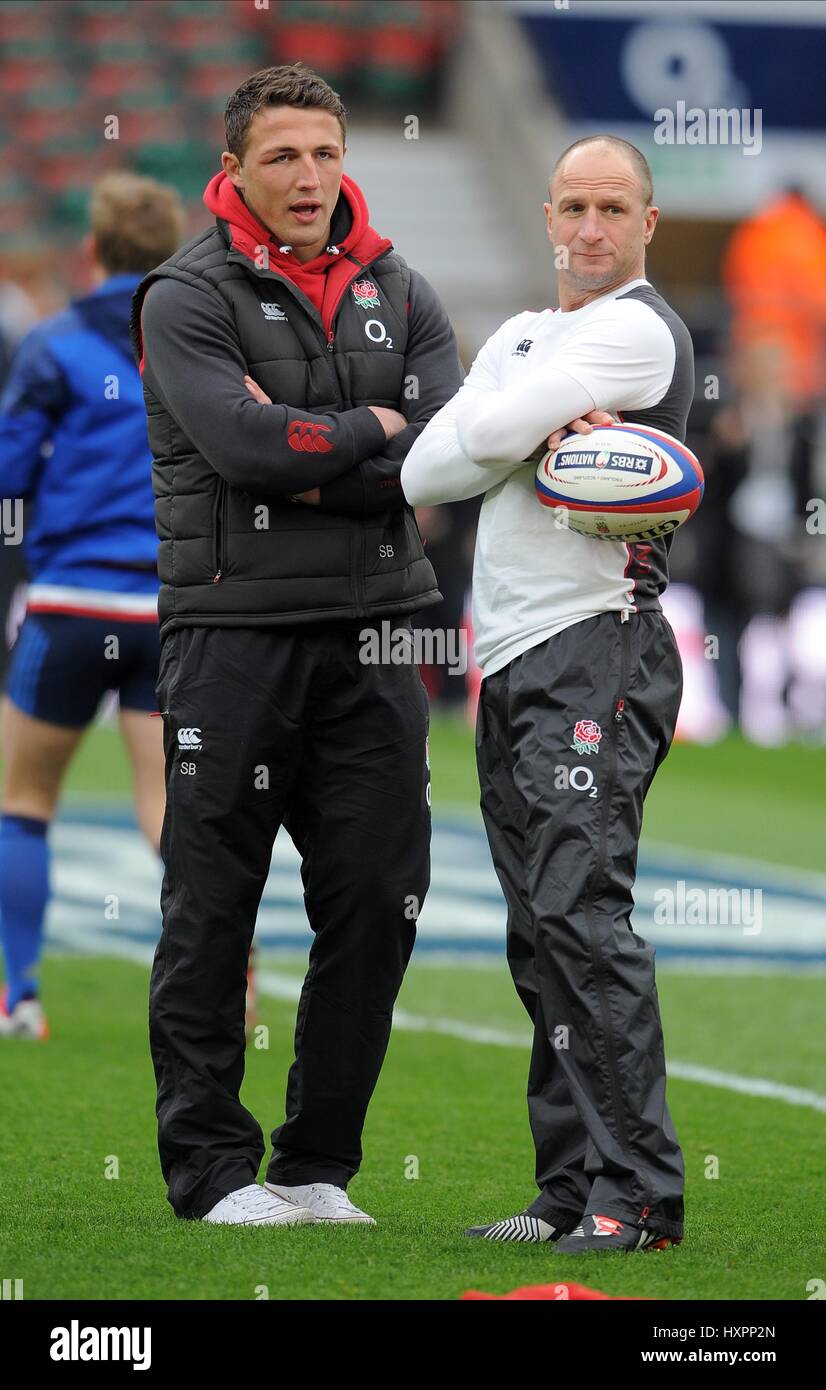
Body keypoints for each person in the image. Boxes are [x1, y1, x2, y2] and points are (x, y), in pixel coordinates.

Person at [130, 64, 463, 1228]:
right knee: (211, 905)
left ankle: (317, 1167)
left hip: (376, 637)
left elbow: (440, 454)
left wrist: (333, 449)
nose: (310, 177)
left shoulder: (401, 283)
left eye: (325, 152)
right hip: (232, 637)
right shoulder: (184, 294)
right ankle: (213, 1172)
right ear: (234, 169)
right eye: (282, 156)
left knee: (380, 898)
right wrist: (364, 442)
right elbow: (243, 449)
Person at [402, 135, 694, 1254]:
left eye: (612, 207)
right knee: (537, 932)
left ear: (647, 224)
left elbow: (473, 438)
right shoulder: (529, 335)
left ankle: (642, 1195)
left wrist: (506, 434)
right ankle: (569, 1184)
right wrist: (524, 438)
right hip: (511, 652)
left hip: (597, 644)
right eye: (572, 204)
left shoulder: (633, 326)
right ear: (545, 214)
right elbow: (426, 470)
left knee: (580, 909)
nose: (589, 226)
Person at [0, 173, 185, 1039]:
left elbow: (8, 472)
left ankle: (20, 996)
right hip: (168, 610)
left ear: (91, 250)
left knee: (25, 800)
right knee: (169, 806)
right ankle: (234, 973)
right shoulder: (199, 344)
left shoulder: (54, 341)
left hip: (72, 602)